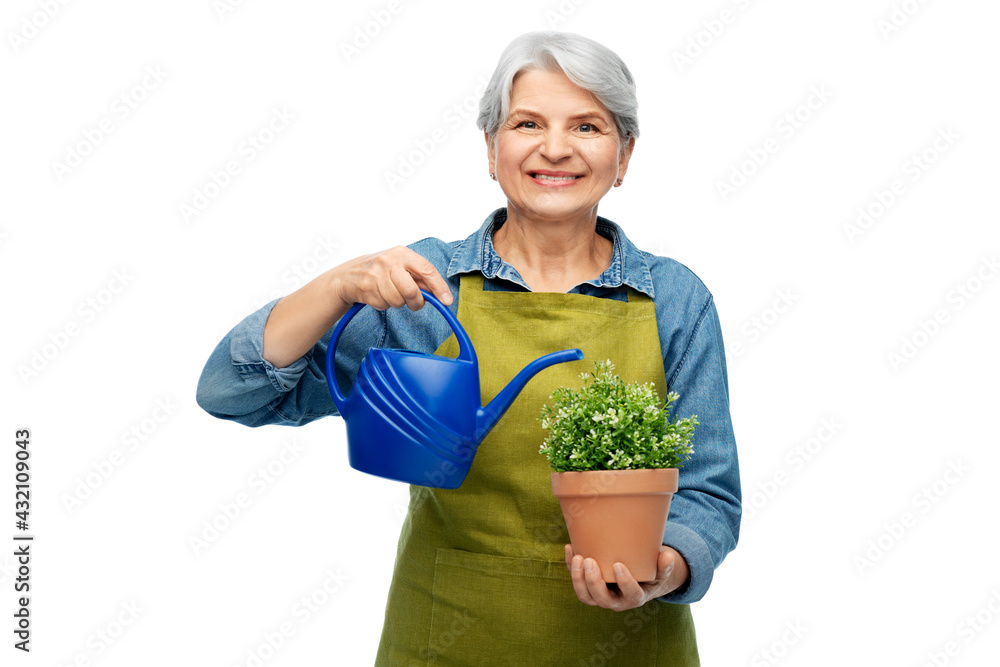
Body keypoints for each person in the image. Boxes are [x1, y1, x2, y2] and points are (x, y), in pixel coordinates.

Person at [197, 31, 740, 665]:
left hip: (630, 645)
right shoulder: (423, 291)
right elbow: (231, 392)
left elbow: (708, 493)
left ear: (624, 156)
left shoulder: (674, 300)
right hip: (446, 642)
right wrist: (337, 285)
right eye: (527, 123)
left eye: (587, 126)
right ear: (490, 147)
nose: (555, 148)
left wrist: (665, 568)